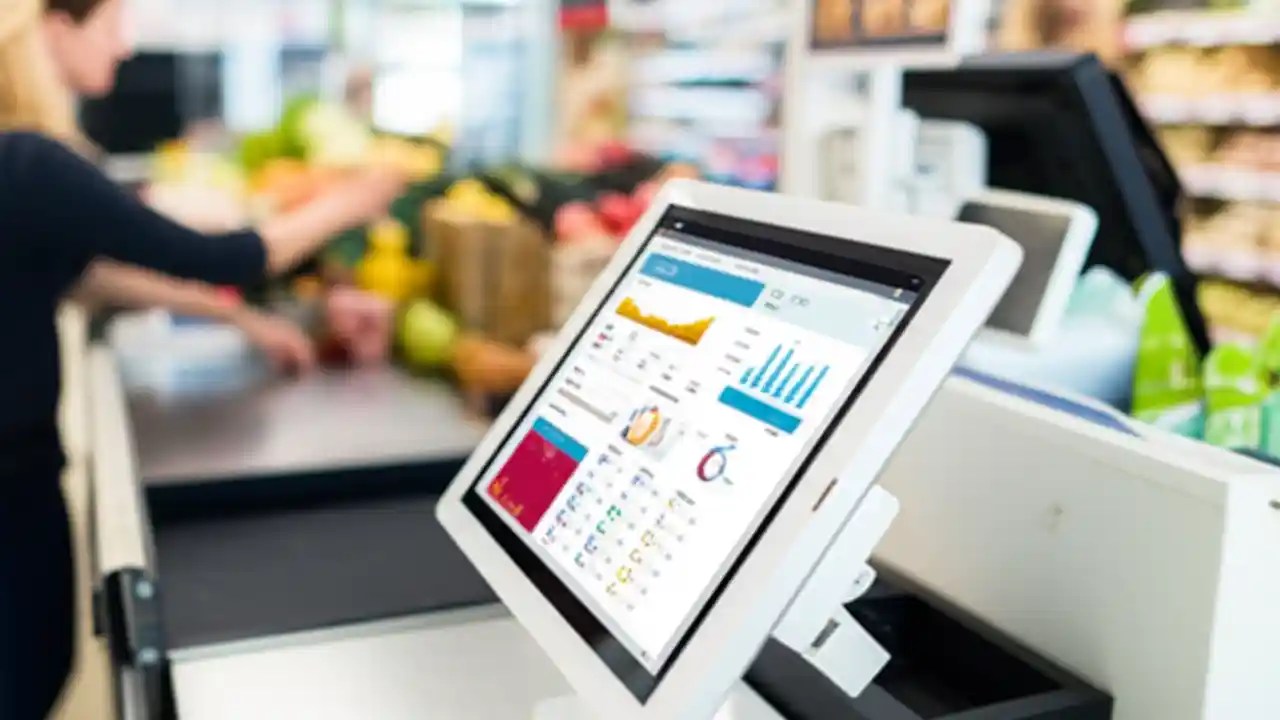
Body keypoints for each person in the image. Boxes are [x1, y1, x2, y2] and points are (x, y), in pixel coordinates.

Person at [0, 1, 405, 717]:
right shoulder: (31, 163)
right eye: (112, 24)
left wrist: (233, 315)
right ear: (53, 29)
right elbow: (225, 254)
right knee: (28, 677)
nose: (125, 47)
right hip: (12, 489)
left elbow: (77, 274)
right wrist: (352, 201)